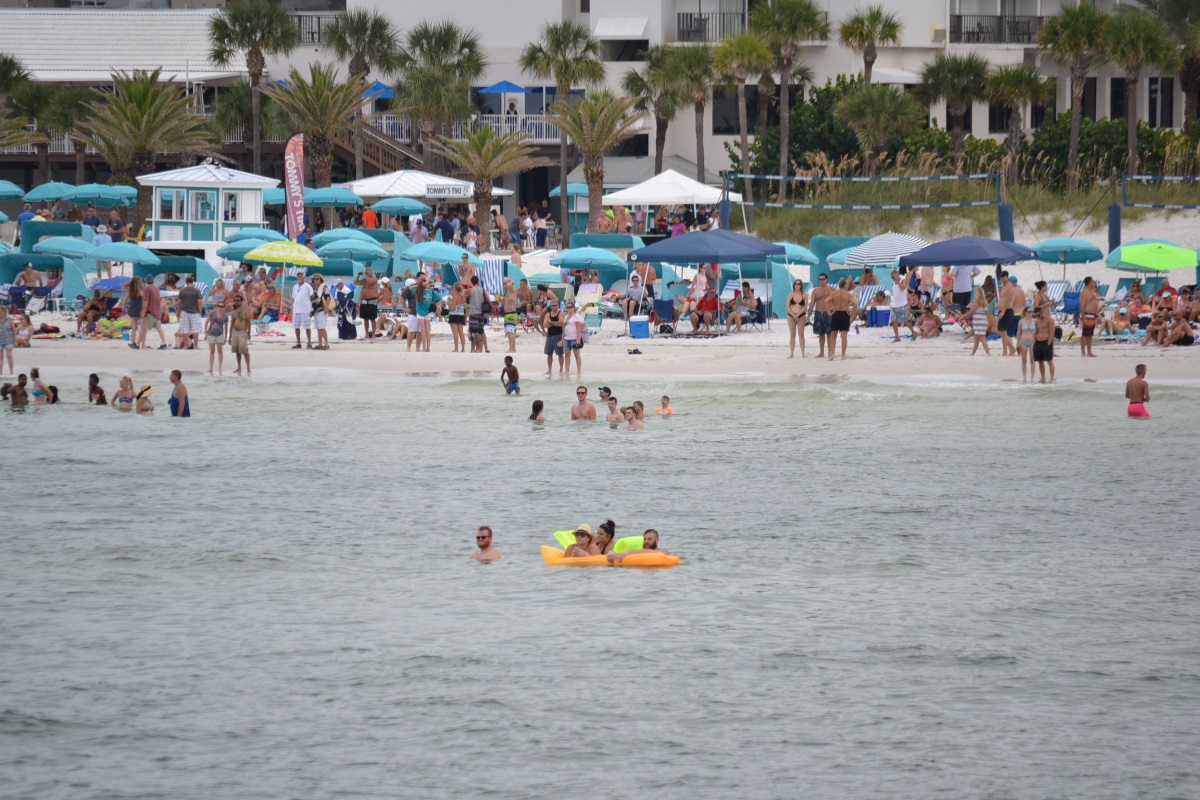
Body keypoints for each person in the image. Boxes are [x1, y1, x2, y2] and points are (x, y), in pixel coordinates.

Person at [826, 278, 857, 361]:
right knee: (844, 336)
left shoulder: (834, 293)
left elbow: (826, 301)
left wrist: (829, 312)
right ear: (845, 285)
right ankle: (843, 355)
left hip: (835, 314)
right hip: (844, 313)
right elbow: (855, 303)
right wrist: (852, 314)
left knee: (833, 335)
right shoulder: (848, 294)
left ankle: (832, 353)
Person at [138, 278, 168, 350]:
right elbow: (158, 300)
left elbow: (146, 301)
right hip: (156, 312)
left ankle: (137, 344)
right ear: (153, 281)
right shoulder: (156, 289)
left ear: (146, 281)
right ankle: (164, 343)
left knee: (143, 327)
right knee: (158, 328)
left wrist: (144, 311)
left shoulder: (147, 289)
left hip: (150, 312)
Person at [997, 275, 1022, 357]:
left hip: (1010, 312)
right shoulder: (1021, 291)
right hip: (1019, 314)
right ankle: (1015, 351)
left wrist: (1003, 310)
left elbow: (1009, 302)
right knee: (1018, 335)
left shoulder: (1010, 290)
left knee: (1005, 333)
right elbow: (1024, 303)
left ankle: (1010, 349)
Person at [176, 276, 203, 350]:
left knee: (184, 329)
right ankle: (196, 345)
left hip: (184, 311)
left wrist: (178, 311)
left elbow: (179, 302)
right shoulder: (196, 291)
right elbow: (199, 302)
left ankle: (185, 346)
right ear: (193, 282)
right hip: (194, 311)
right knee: (195, 329)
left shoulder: (182, 291)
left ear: (186, 282)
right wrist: (200, 312)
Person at [229, 294, 253, 376]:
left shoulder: (246, 310)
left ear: (241, 301)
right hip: (235, 332)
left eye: (238, 301)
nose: (236, 302)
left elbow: (249, 322)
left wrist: (249, 333)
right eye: (235, 301)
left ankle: (248, 367)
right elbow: (231, 324)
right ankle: (239, 367)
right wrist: (229, 336)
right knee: (237, 351)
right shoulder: (234, 312)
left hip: (242, 332)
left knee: (245, 350)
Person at [963, 286, 991, 356]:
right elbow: (986, 313)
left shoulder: (977, 302)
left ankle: (988, 352)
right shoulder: (985, 302)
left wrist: (962, 317)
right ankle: (973, 353)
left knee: (981, 337)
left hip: (978, 321)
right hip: (983, 320)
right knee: (976, 338)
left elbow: (971, 312)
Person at [810, 273, 833, 358]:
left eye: (823, 279)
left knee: (829, 334)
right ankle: (821, 352)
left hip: (828, 313)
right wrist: (808, 315)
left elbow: (836, 301)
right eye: (820, 279)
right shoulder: (816, 291)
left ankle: (830, 352)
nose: (821, 281)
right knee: (821, 334)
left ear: (826, 279)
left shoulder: (831, 290)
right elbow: (812, 303)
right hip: (818, 312)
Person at [889, 270, 915, 342]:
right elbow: (895, 293)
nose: (893, 278)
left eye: (894, 276)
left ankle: (913, 332)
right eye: (892, 277)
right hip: (895, 304)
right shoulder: (893, 283)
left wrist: (898, 282)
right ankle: (897, 336)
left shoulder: (903, 280)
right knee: (894, 320)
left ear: (897, 275)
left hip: (902, 304)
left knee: (905, 321)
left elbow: (903, 288)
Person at [355, 267, 380, 341]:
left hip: (372, 301)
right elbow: (356, 282)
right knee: (365, 319)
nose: (365, 273)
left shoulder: (374, 280)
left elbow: (370, 282)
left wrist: (365, 275)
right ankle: (366, 334)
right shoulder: (365, 281)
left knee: (372, 319)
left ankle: (373, 335)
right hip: (364, 301)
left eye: (367, 272)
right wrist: (359, 275)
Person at [290, 273, 314, 349]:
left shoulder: (308, 287)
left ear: (304, 277)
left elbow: (312, 298)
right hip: (296, 309)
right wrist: (292, 310)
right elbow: (294, 298)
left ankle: (309, 342)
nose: (300, 278)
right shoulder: (295, 287)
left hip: (305, 310)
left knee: (307, 327)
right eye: (298, 277)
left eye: (301, 276)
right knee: (296, 327)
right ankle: (298, 343)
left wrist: (311, 309)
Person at [205, 299, 229, 375]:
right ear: (217, 306)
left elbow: (226, 327)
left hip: (220, 335)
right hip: (211, 334)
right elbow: (206, 322)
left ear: (224, 307)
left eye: (222, 306)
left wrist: (225, 338)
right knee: (212, 351)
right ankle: (211, 367)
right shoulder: (212, 314)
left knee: (220, 351)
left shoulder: (225, 317)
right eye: (219, 306)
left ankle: (220, 367)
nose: (220, 308)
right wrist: (206, 332)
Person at [1033, 305, 1056, 384]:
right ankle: (1043, 377)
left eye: (1039, 315)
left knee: (1049, 360)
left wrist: (1049, 342)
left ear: (1042, 312)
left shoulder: (1049, 320)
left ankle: (1052, 377)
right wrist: (1034, 342)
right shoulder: (1037, 321)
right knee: (1040, 361)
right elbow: (1036, 332)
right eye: (1037, 315)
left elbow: (1052, 332)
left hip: (1046, 341)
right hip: (1038, 342)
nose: (1038, 317)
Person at [1079, 276, 1101, 357]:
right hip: (1087, 315)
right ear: (1089, 282)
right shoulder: (1084, 292)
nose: (1094, 283)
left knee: (1090, 335)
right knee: (1085, 334)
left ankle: (1089, 351)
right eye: (1092, 281)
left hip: (1092, 315)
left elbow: (1095, 303)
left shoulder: (1091, 292)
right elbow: (1082, 306)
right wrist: (1083, 317)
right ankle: (1083, 352)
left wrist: (1097, 315)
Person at [542, 299, 565, 375]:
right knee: (549, 354)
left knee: (560, 354)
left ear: (558, 306)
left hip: (558, 335)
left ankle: (561, 369)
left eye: (555, 305)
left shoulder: (561, 314)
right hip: (549, 336)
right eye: (552, 306)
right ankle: (549, 369)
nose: (553, 307)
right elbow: (545, 325)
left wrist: (551, 322)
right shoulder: (548, 314)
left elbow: (561, 323)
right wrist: (555, 323)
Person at [562, 301, 585, 376]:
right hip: (566, 338)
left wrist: (578, 338)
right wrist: (562, 337)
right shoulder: (566, 316)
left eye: (570, 307)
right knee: (567, 354)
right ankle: (567, 371)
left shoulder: (576, 316)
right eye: (567, 307)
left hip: (574, 337)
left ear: (573, 308)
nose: (568, 309)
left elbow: (578, 328)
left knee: (576, 354)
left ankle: (579, 371)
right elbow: (564, 326)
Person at [468, 276, 490, 354]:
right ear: (478, 281)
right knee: (481, 331)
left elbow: (465, 296)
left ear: (471, 282)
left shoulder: (471, 290)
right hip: (481, 313)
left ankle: (478, 349)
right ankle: (486, 347)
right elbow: (488, 299)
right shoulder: (483, 290)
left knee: (475, 332)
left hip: (474, 312)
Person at [786, 278, 808, 357]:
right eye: (796, 284)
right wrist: (793, 314)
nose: (797, 285)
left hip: (801, 315)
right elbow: (787, 306)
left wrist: (798, 314)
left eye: (798, 284)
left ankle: (803, 352)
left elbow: (805, 306)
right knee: (792, 335)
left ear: (801, 285)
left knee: (801, 334)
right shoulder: (791, 294)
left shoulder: (804, 294)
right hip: (791, 315)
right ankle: (791, 353)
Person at [310, 275, 332, 351]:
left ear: (321, 279)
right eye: (314, 279)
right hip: (316, 310)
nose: (315, 280)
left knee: (322, 327)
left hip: (322, 309)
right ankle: (320, 343)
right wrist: (312, 311)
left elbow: (328, 297)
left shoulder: (324, 287)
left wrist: (327, 307)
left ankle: (326, 343)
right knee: (318, 328)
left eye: (317, 279)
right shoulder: (315, 289)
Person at [1016, 304, 1037, 383]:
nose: (1031, 313)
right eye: (1029, 312)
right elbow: (1018, 333)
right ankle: (1024, 377)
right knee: (1024, 360)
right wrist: (1018, 343)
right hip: (1023, 341)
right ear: (1025, 313)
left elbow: (1037, 331)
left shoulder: (1034, 321)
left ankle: (1032, 377)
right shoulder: (1021, 321)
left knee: (1032, 360)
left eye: (1032, 311)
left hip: (1032, 341)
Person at [446, 282, 468, 352]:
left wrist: (448, 304)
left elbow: (452, 307)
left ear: (454, 289)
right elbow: (464, 306)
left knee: (455, 333)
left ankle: (456, 348)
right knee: (461, 332)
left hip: (454, 315)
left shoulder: (455, 297)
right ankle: (463, 348)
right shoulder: (463, 297)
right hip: (461, 314)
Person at [501, 277, 520, 353]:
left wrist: (511, 281)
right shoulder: (508, 293)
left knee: (510, 332)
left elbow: (509, 285)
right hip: (507, 314)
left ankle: (512, 349)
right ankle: (512, 348)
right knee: (509, 332)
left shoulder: (513, 291)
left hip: (511, 313)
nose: (503, 285)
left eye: (504, 283)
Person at [0, 306, 14, 375]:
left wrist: (15, 340)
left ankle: (11, 372)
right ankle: (0, 373)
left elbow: (14, 330)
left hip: (8, 339)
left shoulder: (9, 319)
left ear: (3, 312)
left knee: (9, 356)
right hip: (0, 340)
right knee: (0, 357)